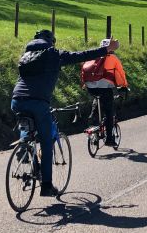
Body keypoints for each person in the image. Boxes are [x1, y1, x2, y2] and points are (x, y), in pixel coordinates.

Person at [11, 30, 109, 196]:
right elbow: (81, 55)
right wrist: (105, 50)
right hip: (38, 101)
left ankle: (24, 145)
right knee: (46, 143)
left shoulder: (25, 56)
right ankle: (46, 186)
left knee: (27, 123)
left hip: (17, 99)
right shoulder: (53, 54)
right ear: (51, 42)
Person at [81, 38, 128, 146]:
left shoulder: (93, 55)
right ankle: (109, 139)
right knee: (109, 112)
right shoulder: (113, 58)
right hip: (105, 88)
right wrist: (124, 85)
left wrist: (85, 84)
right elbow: (121, 73)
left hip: (90, 87)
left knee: (97, 98)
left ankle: (92, 118)